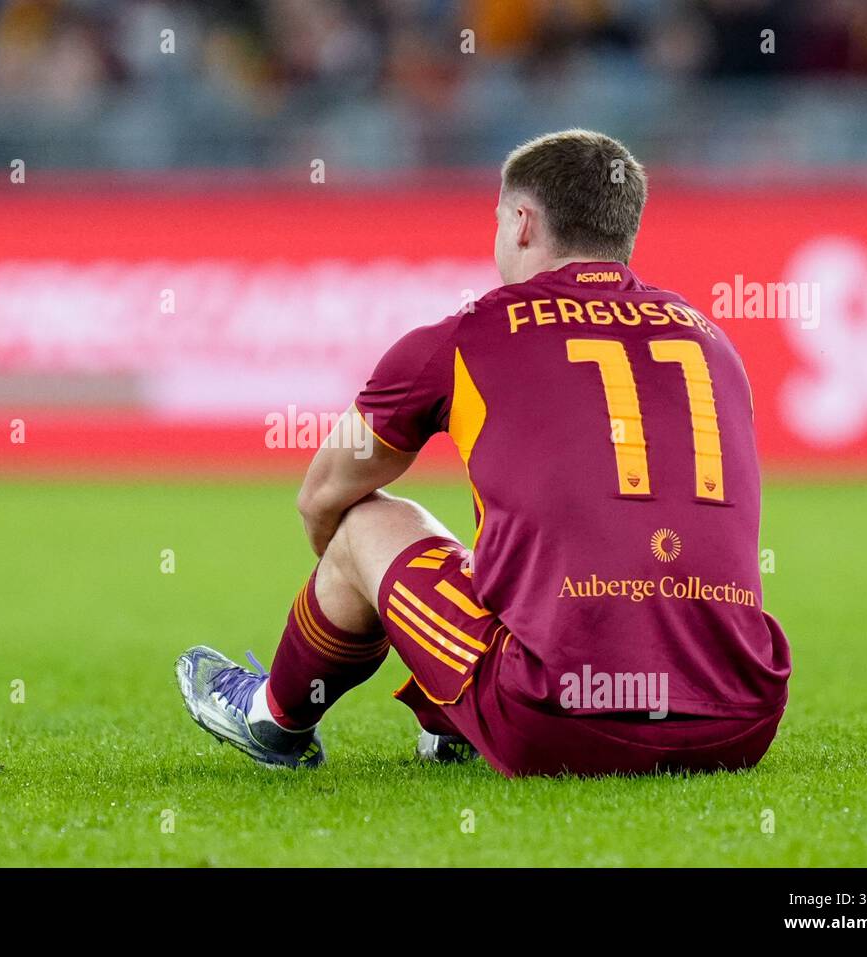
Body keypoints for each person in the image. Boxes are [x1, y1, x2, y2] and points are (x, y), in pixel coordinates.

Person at [176, 129, 791, 776]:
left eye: (499, 219)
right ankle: (451, 718)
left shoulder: (465, 336)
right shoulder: (716, 344)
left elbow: (321, 496)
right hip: (741, 722)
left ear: (522, 223)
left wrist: (375, 605)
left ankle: (275, 716)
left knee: (361, 527)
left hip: (561, 720)